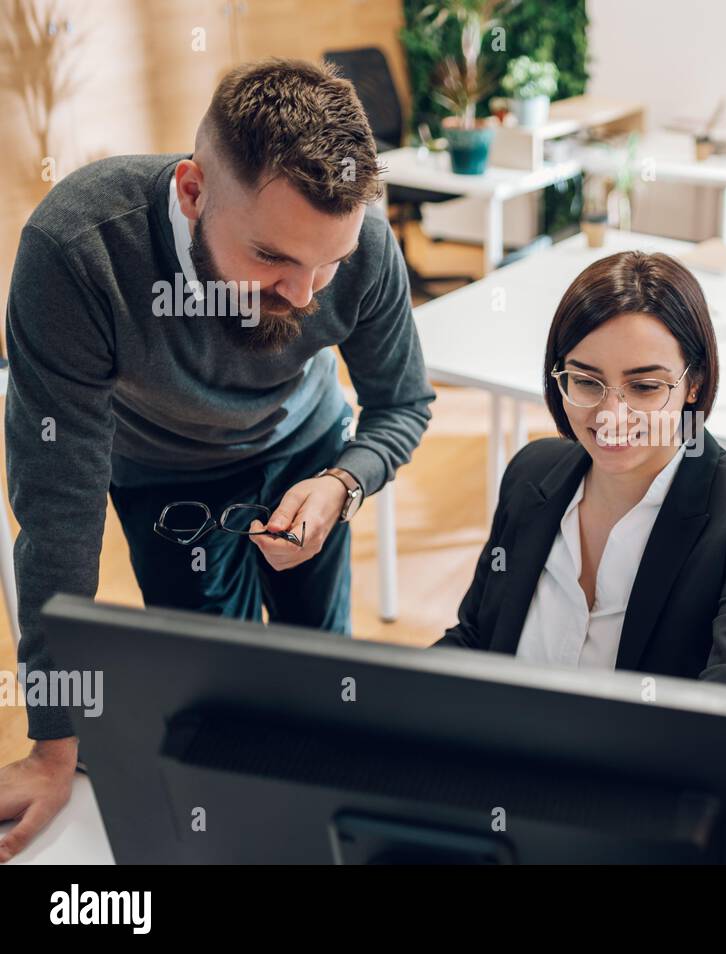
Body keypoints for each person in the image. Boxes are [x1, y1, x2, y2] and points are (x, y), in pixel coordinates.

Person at [0, 58, 436, 860]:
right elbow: (58, 518)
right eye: (273, 259)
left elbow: (403, 404)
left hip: (310, 453)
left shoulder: (364, 244)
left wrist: (343, 481)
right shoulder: (78, 252)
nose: (306, 295)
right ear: (195, 191)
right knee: (218, 699)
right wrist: (54, 749)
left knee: (317, 674)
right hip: (165, 476)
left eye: (326, 265)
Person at [437, 251, 726, 691]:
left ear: (695, 383)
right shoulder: (531, 474)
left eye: (646, 387)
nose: (611, 414)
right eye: (587, 382)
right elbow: (476, 638)